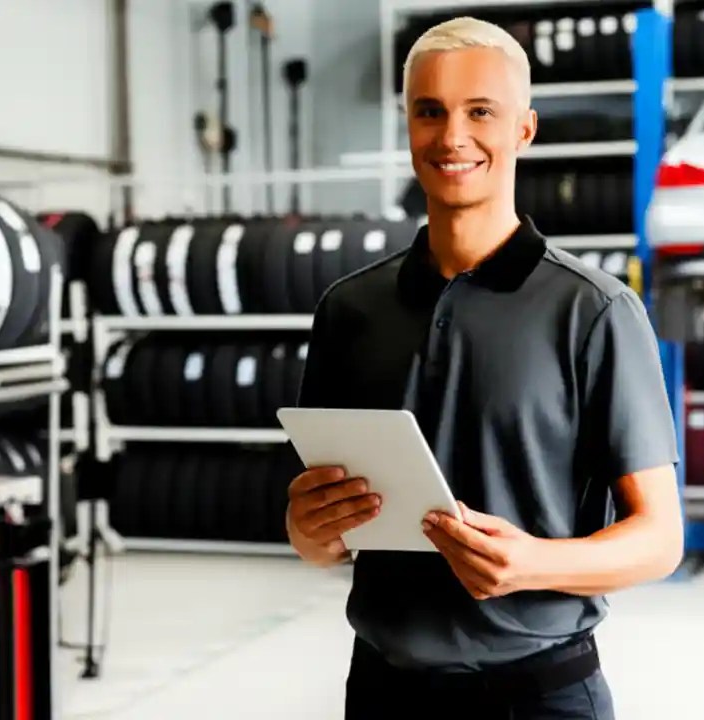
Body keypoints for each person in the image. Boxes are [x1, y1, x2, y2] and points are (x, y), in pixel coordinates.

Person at [284, 16, 683, 720]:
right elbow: (323, 536)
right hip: (381, 693)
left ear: (524, 129)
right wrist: (309, 532)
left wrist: (532, 564)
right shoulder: (349, 310)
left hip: (541, 697)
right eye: (429, 111)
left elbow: (660, 539)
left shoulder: (594, 311)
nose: (452, 137)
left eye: (480, 112)